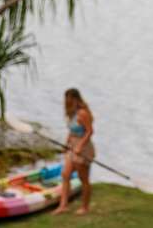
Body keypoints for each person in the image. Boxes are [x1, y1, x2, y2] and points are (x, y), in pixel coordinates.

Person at [52, 88, 94, 216]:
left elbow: (90, 131)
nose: (66, 102)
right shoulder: (71, 113)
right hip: (72, 147)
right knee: (65, 174)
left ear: (76, 99)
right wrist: (66, 144)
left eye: (69, 100)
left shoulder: (82, 113)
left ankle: (85, 207)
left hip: (84, 148)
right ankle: (63, 205)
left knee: (83, 179)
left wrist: (80, 146)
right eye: (66, 100)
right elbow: (71, 131)